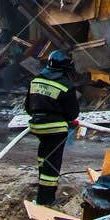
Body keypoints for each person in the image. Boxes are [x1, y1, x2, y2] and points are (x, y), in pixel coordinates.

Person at [25, 50, 79, 206]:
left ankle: (41, 194)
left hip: (36, 126)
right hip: (55, 130)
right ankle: (46, 200)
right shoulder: (66, 85)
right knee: (52, 164)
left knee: (43, 158)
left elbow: (28, 107)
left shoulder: (36, 80)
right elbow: (72, 114)